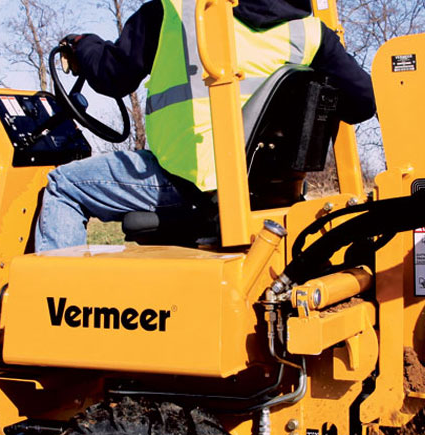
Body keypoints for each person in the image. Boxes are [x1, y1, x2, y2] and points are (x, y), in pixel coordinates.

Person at [33, 0, 376, 252]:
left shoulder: (175, 10)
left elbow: (112, 75)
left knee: (64, 186)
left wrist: (83, 46)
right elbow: (363, 101)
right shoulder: (310, 32)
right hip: (272, 191)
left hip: (187, 182)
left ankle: (48, 307)